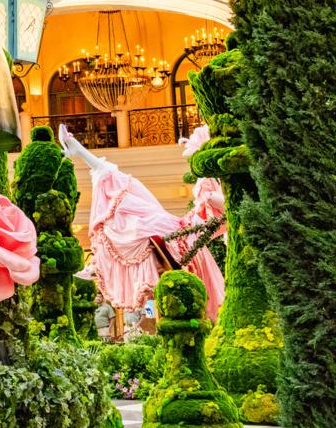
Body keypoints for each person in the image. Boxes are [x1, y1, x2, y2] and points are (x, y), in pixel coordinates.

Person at [56, 124, 224, 320]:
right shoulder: (205, 196)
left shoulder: (210, 197)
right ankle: (77, 148)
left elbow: (216, 210)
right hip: (173, 234)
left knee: (123, 212)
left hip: (176, 237)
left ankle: (98, 265)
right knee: (122, 198)